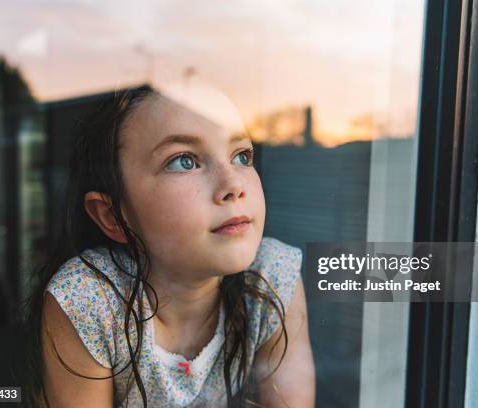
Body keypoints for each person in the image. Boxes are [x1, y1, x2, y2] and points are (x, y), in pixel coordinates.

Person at [23, 83, 315, 407]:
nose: (233, 184)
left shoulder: (272, 276)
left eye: (241, 155)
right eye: (183, 161)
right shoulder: (91, 299)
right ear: (113, 216)